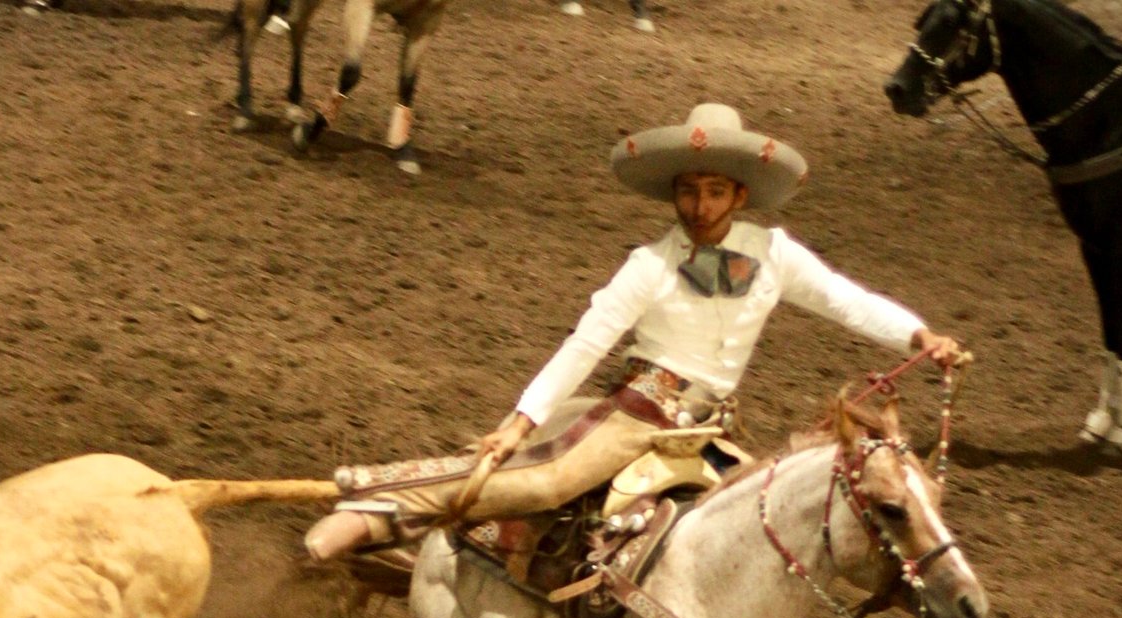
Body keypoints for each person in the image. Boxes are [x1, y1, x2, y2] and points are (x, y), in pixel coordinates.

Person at [304, 102, 964, 562]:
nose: (698, 208)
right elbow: (586, 343)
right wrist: (520, 423)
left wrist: (918, 337)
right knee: (542, 484)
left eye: (713, 192)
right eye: (688, 192)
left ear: (738, 195)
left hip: (709, 435)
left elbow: (848, 302)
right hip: (640, 413)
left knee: (757, 523)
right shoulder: (648, 266)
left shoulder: (777, 254)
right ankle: (376, 508)